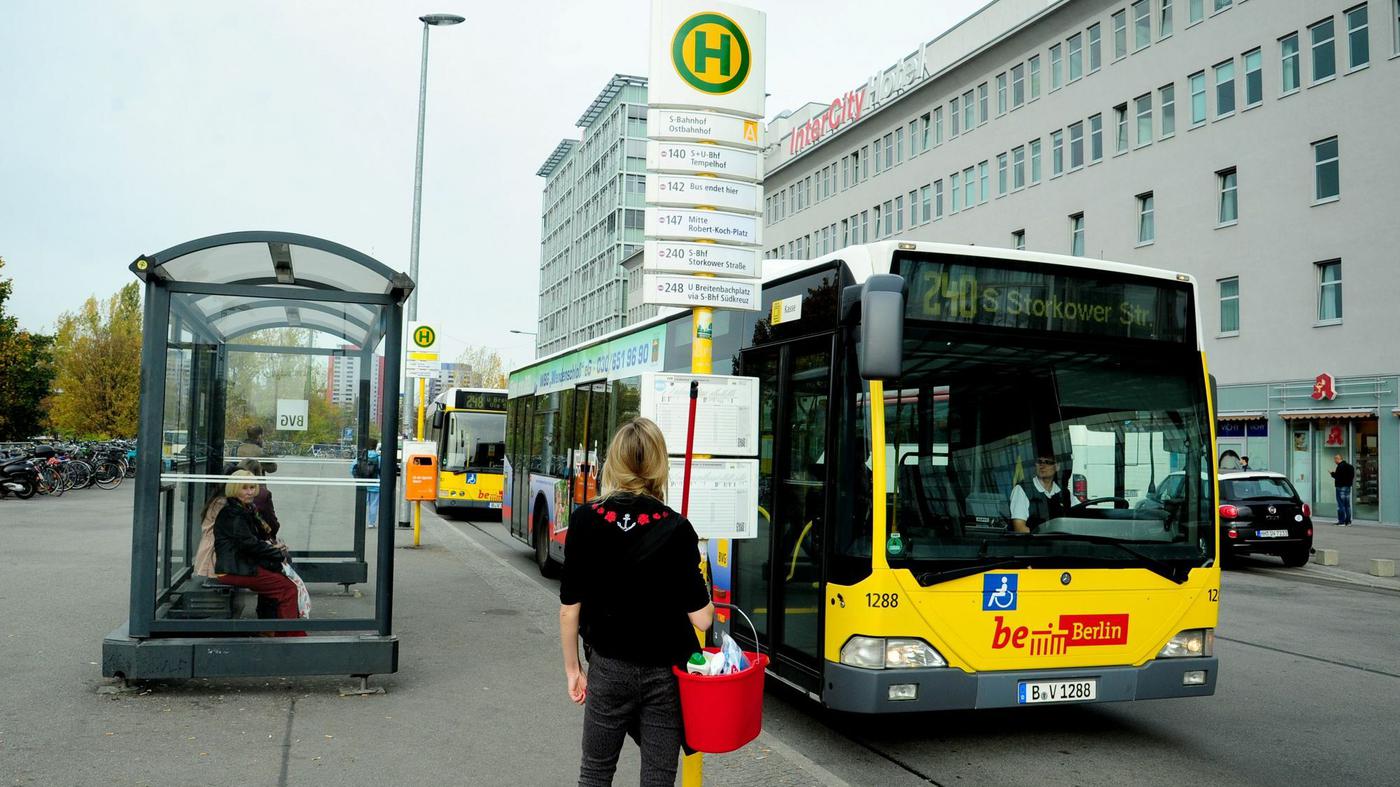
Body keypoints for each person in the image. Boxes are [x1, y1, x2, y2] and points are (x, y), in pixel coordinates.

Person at [558, 418, 714, 787]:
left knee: (595, 773)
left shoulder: (585, 520)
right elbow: (703, 620)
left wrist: (573, 670)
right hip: (664, 675)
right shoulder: (676, 527)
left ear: (614, 461)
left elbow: (569, 608)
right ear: (659, 464)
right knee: (658, 777)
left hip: (608, 668)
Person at [213, 469, 305, 635]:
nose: (250, 492)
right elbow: (249, 544)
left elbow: (252, 541)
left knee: (279, 582)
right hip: (236, 568)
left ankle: (271, 630)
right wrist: (276, 553)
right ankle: (289, 635)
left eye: (252, 487)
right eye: (244, 488)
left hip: (240, 564)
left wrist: (273, 549)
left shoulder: (242, 509)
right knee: (287, 588)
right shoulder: (234, 514)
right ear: (234, 489)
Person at [1010, 453, 1072, 533]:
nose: (1042, 465)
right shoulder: (1022, 490)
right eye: (1039, 462)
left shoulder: (1064, 493)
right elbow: (1020, 529)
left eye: (1048, 462)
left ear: (1057, 466)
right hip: (1034, 544)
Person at [352, 441, 381, 528]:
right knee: (373, 504)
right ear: (376, 447)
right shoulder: (379, 458)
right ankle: (371, 523)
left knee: (362, 503)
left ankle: (360, 522)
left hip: (363, 484)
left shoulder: (361, 456)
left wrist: (357, 479)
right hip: (375, 485)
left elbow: (352, 469)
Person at [1330, 453, 1355, 526]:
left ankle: (1342, 521)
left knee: (1340, 504)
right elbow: (1351, 477)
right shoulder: (1350, 467)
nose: (1335, 461)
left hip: (1340, 487)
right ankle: (1348, 521)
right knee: (1347, 505)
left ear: (1338, 459)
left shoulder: (1340, 467)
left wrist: (1332, 473)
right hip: (1347, 487)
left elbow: (1338, 477)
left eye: (1335, 459)